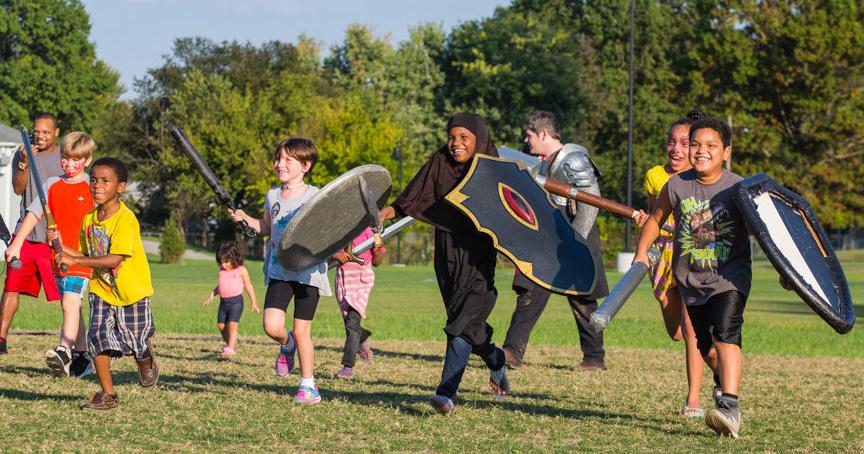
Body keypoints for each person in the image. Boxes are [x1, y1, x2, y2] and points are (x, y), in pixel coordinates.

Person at [379, 112, 509, 416]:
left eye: (465, 138)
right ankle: (495, 358)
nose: (456, 143)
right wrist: (381, 214)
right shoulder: (440, 162)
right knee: (466, 324)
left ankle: (446, 394)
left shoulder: (492, 169)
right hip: (447, 253)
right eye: (452, 137)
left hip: (479, 255)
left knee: (460, 325)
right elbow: (411, 199)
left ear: (479, 140)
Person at [633, 117, 751, 438]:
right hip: (691, 281)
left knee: (726, 334)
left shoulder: (739, 189)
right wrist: (642, 251)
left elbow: (764, 232)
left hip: (730, 278)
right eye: (695, 144)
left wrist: (786, 273)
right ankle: (722, 380)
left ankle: (730, 406)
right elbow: (656, 219)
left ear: (725, 152)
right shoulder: (677, 185)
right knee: (705, 347)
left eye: (711, 146)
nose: (701, 151)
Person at [502, 111, 629, 371]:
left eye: (529, 136)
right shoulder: (543, 162)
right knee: (530, 289)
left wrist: (577, 241)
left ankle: (594, 358)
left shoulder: (573, 159)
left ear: (544, 134)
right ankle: (512, 352)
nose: (527, 141)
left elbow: (591, 202)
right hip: (550, 235)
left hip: (577, 233)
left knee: (582, 297)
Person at [230, 137, 331, 405]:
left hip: (309, 274)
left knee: (302, 331)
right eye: (278, 158)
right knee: (271, 326)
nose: (279, 164)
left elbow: (326, 232)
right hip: (279, 271)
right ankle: (286, 346)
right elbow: (266, 228)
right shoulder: (272, 195)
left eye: (288, 159)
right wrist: (245, 219)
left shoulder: (316, 196)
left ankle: (308, 386)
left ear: (306, 165)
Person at [57, 157, 159, 410]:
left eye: (105, 181)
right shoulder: (88, 219)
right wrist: (58, 244)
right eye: (93, 180)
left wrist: (75, 259)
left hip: (131, 292)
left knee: (135, 340)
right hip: (102, 290)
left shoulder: (125, 219)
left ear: (120, 187)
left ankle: (145, 358)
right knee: (98, 339)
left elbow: (113, 258)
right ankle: (108, 395)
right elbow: (82, 252)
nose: (97, 186)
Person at [644, 109, 720, 418]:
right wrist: (645, 223)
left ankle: (693, 402)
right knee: (677, 332)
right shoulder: (654, 176)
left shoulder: (702, 182)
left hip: (694, 252)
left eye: (684, 143)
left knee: (691, 328)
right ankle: (719, 366)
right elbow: (655, 218)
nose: (676, 149)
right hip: (663, 257)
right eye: (671, 141)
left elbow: (704, 230)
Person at [4, 132, 96, 377]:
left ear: (87, 160)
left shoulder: (92, 186)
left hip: (81, 258)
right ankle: (81, 357)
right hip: (57, 257)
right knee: (71, 305)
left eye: (76, 160)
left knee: (70, 301)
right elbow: (33, 214)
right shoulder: (52, 184)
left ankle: (64, 350)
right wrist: (16, 245)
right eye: (65, 159)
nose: (70, 164)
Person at [0, 113, 63, 355]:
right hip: (25, 235)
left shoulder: (64, 157)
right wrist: (25, 163)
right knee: (11, 287)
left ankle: (72, 346)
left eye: (46, 132)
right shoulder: (23, 153)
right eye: (37, 131)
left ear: (56, 133)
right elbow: (18, 189)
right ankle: (1, 338)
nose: (40, 135)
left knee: (65, 294)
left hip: (53, 237)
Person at [331, 227, 385, 380]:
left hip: (361, 280)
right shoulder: (340, 228)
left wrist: (377, 249)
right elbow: (327, 253)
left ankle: (348, 367)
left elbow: (377, 262)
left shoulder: (370, 231)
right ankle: (362, 336)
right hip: (343, 279)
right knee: (349, 321)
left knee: (352, 325)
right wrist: (336, 255)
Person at [203, 241, 260, 357]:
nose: (224, 265)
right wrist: (211, 295)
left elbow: (248, 286)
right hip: (223, 303)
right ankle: (230, 344)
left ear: (234, 258)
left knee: (232, 325)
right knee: (221, 326)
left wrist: (254, 302)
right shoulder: (222, 271)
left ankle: (230, 349)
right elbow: (221, 286)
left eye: (226, 261)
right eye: (221, 262)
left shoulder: (241, 270)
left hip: (236, 302)